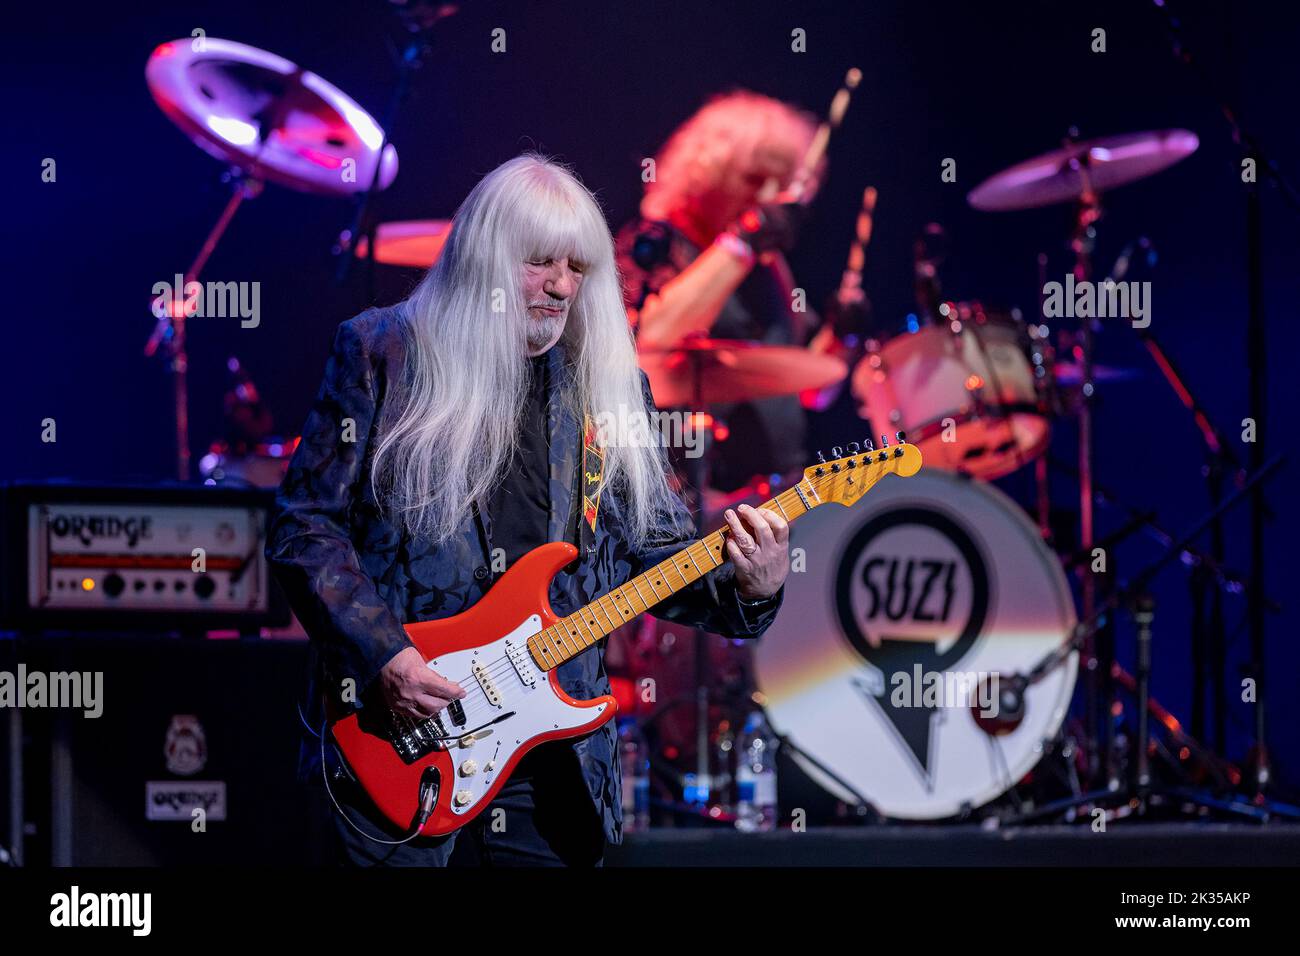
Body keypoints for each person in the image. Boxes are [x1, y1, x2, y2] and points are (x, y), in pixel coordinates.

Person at [265, 153, 790, 866]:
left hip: (552, 759)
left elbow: (654, 555)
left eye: (577, 268)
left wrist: (751, 589)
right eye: (540, 262)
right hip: (398, 740)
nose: (561, 285)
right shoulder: (383, 353)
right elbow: (304, 525)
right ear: (484, 258)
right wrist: (384, 654)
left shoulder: (609, 388)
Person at [615, 90, 868, 493]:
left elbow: (810, 392)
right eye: (752, 179)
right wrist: (743, 241)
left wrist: (842, 336)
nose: (767, 197)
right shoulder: (656, 244)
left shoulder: (771, 271)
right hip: (688, 496)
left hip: (781, 493)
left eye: (781, 184)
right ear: (707, 173)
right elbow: (651, 341)